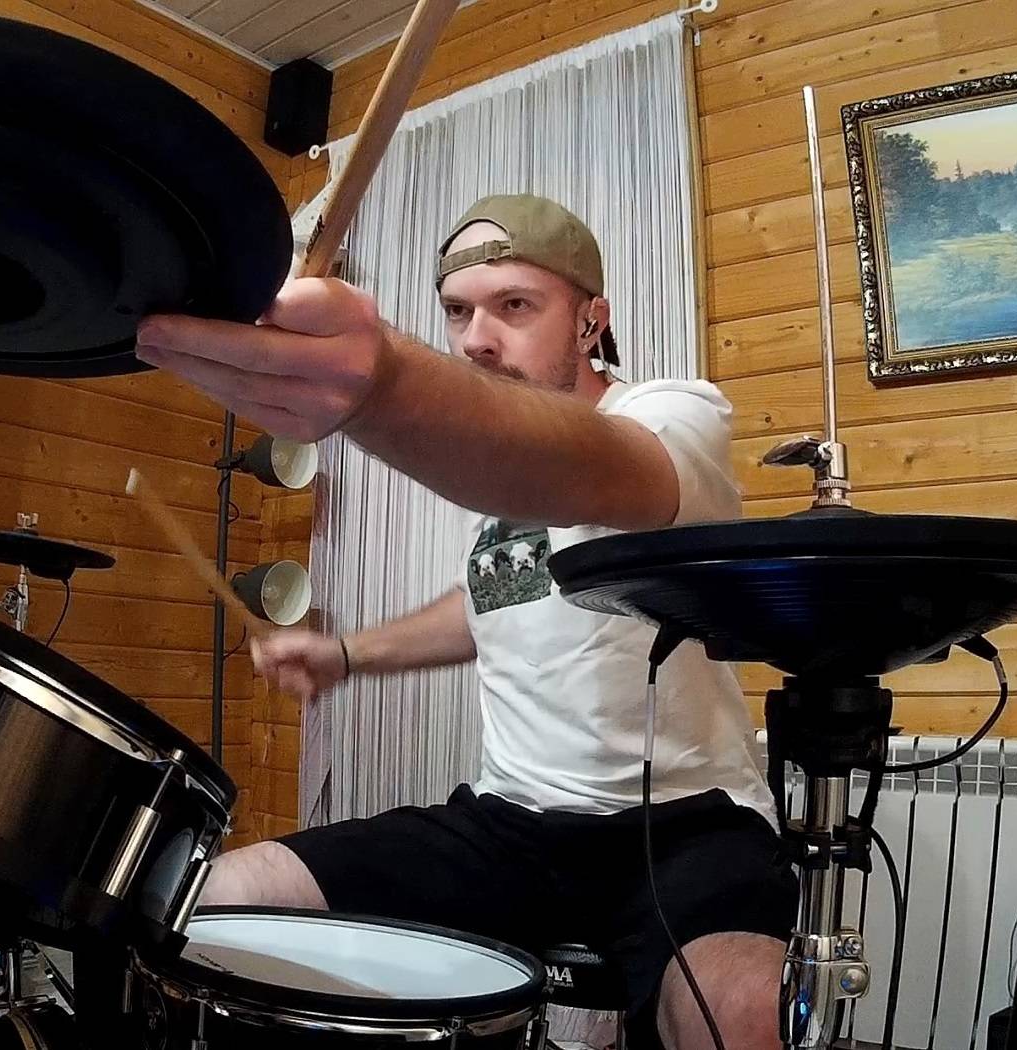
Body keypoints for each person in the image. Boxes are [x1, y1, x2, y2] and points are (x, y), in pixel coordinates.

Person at [136, 194, 792, 1049]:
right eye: (456, 311)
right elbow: (492, 601)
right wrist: (345, 653)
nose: (477, 338)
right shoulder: (503, 496)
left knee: (739, 1017)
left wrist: (381, 382)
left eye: (514, 305)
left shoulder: (670, 418)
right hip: (509, 824)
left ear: (590, 320)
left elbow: (584, 469)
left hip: (684, 823)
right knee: (216, 900)